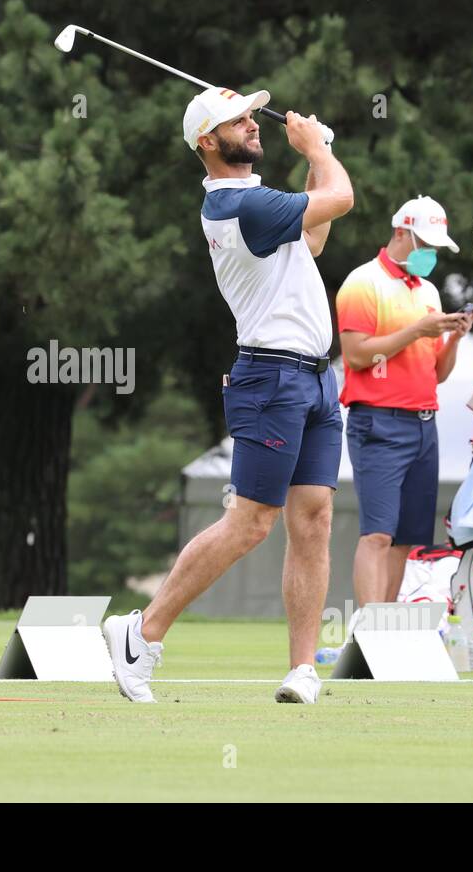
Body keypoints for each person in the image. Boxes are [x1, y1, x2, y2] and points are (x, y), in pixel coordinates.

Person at [103, 87, 354, 704]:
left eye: (250, 114)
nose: (250, 123)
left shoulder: (260, 204)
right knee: (249, 523)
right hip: (272, 379)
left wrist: (313, 161)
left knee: (314, 519)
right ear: (207, 143)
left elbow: (315, 238)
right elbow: (342, 199)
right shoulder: (240, 204)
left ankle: (301, 669)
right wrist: (318, 149)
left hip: (317, 379)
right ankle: (142, 633)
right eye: (235, 120)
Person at [336, 196, 473, 606]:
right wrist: (418, 330)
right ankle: (367, 629)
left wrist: (453, 338)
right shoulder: (364, 283)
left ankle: (386, 627)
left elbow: (438, 373)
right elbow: (358, 355)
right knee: (377, 532)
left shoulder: (427, 291)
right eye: (423, 242)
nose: (429, 253)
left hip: (422, 423)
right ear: (401, 232)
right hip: (378, 421)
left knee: (406, 539)